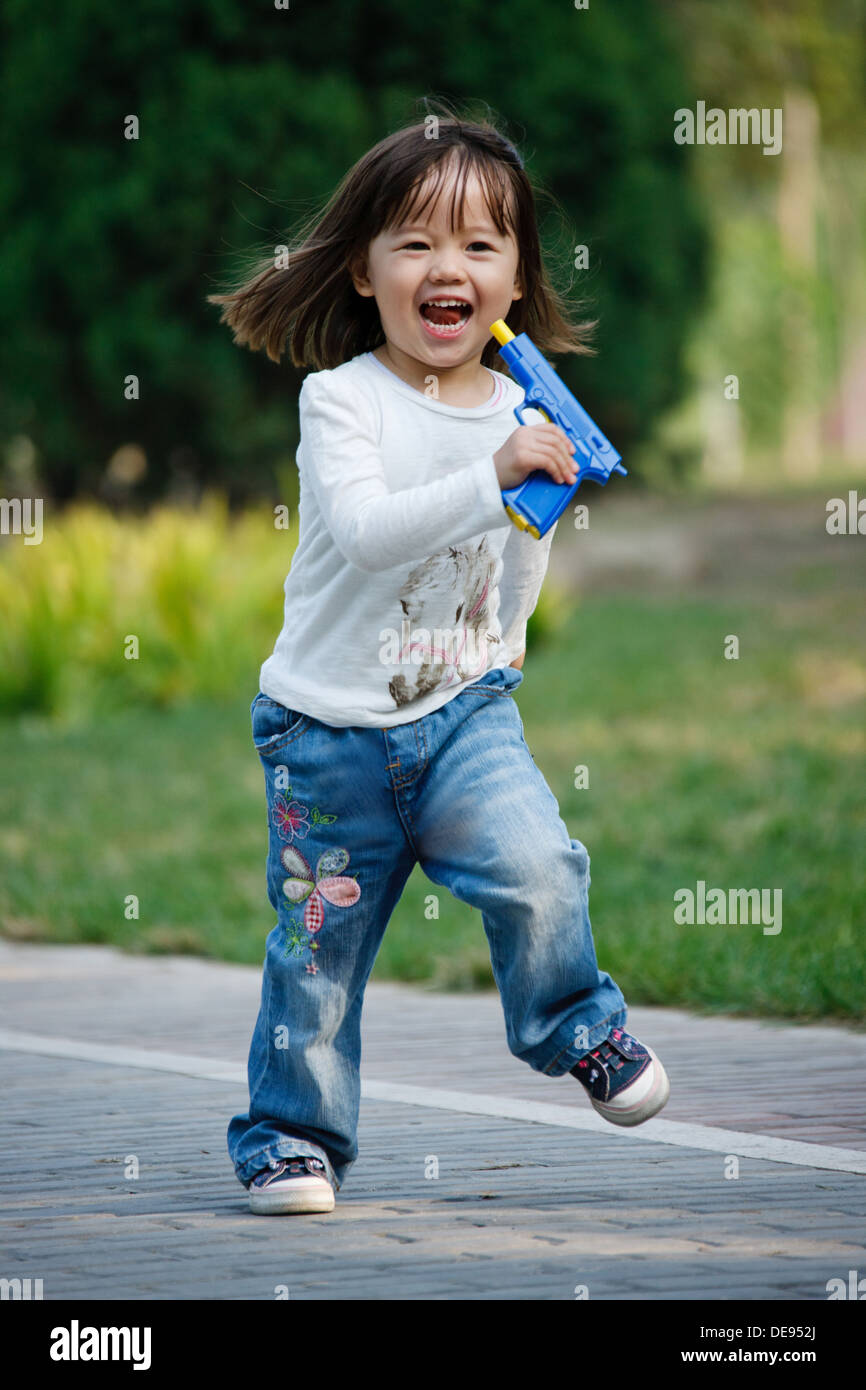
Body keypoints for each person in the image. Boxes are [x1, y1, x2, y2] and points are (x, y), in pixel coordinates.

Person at [208, 112, 669, 1216]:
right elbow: (370, 534)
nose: (446, 267)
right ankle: (289, 1138)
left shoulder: (525, 409)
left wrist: (506, 626)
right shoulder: (342, 401)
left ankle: (576, 1026)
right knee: (318, 951)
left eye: (478, 245)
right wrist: (491, 472)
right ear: (363, 270)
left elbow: (519, 553)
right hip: (325, 735)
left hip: (462, 713)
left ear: (516, 278)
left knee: (540, 864)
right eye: (414, 243)